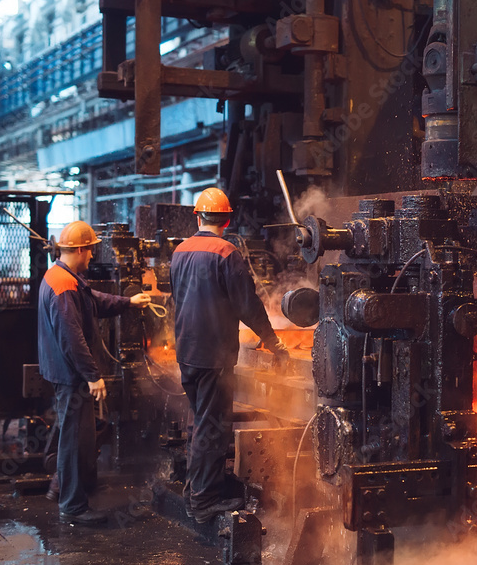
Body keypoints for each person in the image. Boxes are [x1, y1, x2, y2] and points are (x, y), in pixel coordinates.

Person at [170, 187, 289, 523]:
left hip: (187, 351)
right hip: (213, 355)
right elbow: (247, 305)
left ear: (198, 216)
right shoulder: (226, 252)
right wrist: (273, 341)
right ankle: (204, 502)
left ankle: (198, 488)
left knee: (199, 421)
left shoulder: (180, 251)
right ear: (228, 219)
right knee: (212, 427)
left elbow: (178, 298)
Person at [38, 220, 152, 525]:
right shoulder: (63, 286)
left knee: (79, 436)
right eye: (90, 250)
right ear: (78, 250)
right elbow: (71, 337)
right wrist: (92, 375)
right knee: (74, 439)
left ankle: (76, 489)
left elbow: (93, 301)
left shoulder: (64, 277)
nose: (92, 256)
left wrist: (128, 302)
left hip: (66, 372)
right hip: (71, 375)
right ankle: (73, 505)